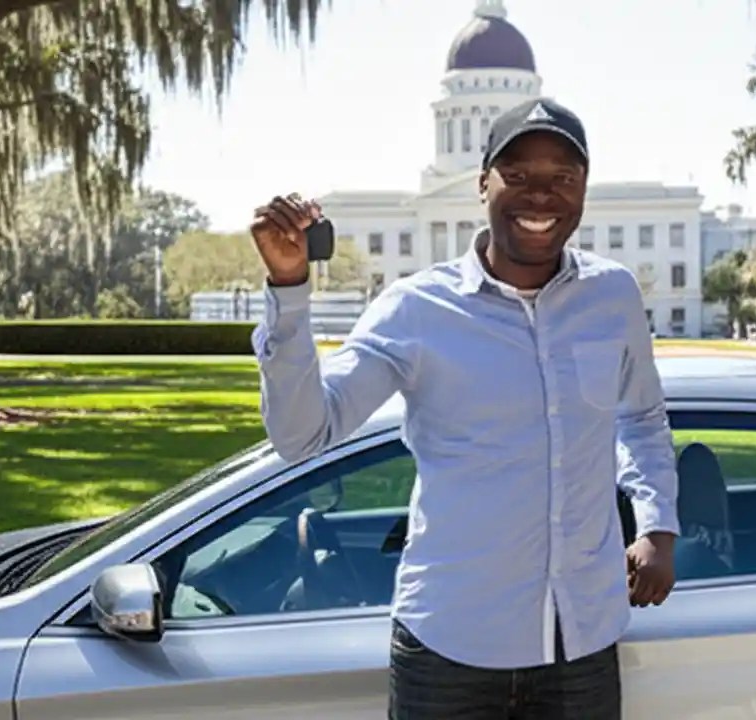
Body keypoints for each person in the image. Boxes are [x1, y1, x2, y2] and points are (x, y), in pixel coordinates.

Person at [249, 97, 679, 719]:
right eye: (520, 176)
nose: (542, 196)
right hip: (449, 653)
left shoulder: (612, 295)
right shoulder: (415, 310)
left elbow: (639, 417)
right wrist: (289, 293)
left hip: (581, 645)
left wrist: (657, 524)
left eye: (562, 177)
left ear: (583, 189)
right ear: (483, 185)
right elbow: (302, 434)